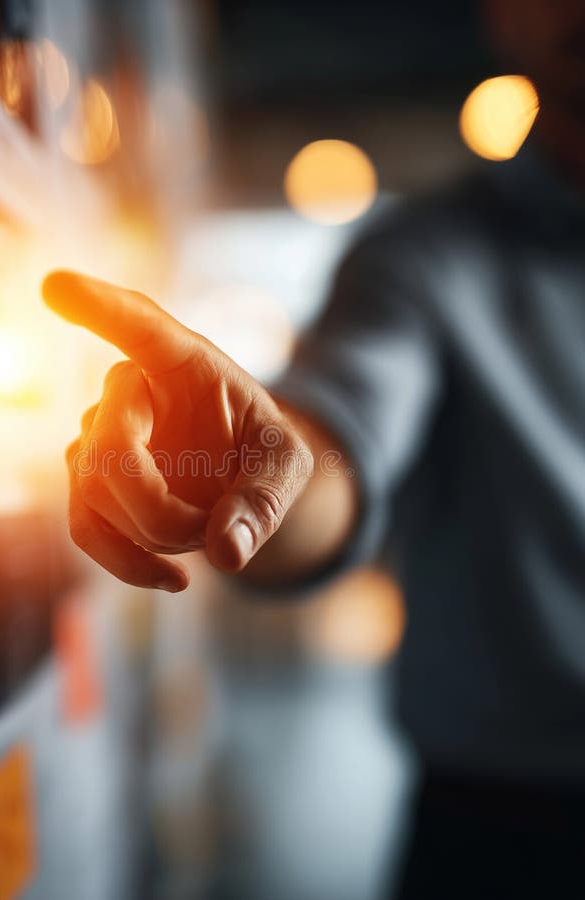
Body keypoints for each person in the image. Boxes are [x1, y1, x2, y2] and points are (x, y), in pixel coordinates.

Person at [42, 0, 585, 895]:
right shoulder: (424, 259)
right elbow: (340, 440)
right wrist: (241, 470)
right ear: (501, 14)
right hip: (504, 835)